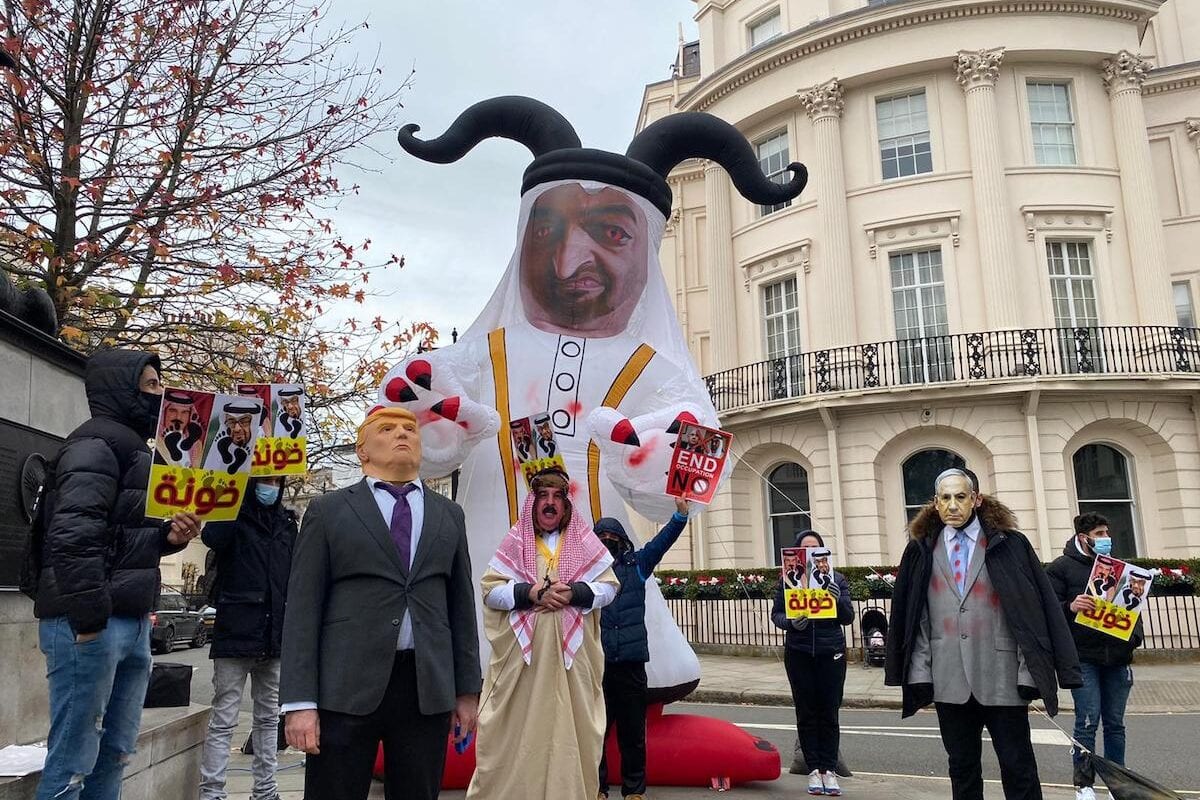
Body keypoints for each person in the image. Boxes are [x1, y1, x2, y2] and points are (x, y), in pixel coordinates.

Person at [385, 97, 806, 704]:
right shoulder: (482, 352)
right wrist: (444, 417)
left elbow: (690, 469)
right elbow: (410, 429)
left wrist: (639, 448)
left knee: (616, 672)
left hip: (594, 566)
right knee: (477, 650)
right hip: (487, 555)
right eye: (550, 229)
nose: (569, 258)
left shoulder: (652, 367)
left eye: (610, 232)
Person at [280, 406, 481, 800]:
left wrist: (467, 690)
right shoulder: (329, 511)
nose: (401, 434)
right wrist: (300, 703)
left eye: (410, 429)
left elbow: (460, 605)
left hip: (426, 689)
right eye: (386, 429)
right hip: (344, 689)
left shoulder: (449, 515)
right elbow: (303, 610)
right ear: (362, 450)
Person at [31, 348, 202, 800]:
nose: (160, 394)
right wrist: (89, 621)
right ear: (120, 390)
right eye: (150, 385)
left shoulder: (133, 450)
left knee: (115, 754)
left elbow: (119, 537)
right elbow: (72, 534)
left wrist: (170, 538)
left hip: (127, 620)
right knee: (72, 760)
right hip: (90, 624)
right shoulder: (96, 444)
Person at [885, 468, 1081, 800]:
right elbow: (916, 618)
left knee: (1018, 767)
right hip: (948, 679)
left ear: (976, 499)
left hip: (1003, 678)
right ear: (934, 503)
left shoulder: (1010, 544)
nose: (952, 505)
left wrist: (1029, 671)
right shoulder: (920, 550)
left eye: (960, 497)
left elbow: (1031, 610)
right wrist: (919, 672)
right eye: (944, 498)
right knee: (961, 768)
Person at [467, 468, 619, 800]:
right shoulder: (516, 541)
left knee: (573, 732)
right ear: (533, 503)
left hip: (573, 665)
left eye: (557, 497)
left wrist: (576, 593)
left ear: (566, 505)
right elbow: (490, 592)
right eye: (543, 497)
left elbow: (609, 589)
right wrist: (528, 593)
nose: (550, 504)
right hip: (523, 666)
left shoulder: (584, 542)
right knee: (511, 734)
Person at [198, 476, 296, 800]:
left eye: (274, 480)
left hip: (274, 634)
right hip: (236, 630)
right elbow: (212, 536)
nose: (269, 485)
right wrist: (231, 495)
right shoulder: (233, 513)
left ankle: (266, 791)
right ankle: (212, 792)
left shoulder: (287, 522)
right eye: (263, 479)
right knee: (224, 717)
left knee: (268, 719)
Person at [594, 498, 691, 800]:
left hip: (633, 665)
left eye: (612, 538)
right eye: (602, 539)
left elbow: (662, 542)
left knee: (633, 734)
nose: (608, 542)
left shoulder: (637, 566)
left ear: (623, 542)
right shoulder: (586, 573)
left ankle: (634, 791)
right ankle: (596, 788)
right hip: (599, 665)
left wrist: (680, 515)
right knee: (596, 731)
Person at [1046, 513, 1143, 800]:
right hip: (1084, 657)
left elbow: (1133, 608)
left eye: (1106, 533)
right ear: (1082, 536)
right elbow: (1050, 610)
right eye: (1099, 534)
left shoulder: (1119, 568)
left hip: (1117, 658)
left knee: (1115, 725)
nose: (1105, 539)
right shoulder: (1061, 569)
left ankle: (1117, 784)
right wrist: (1070, 606)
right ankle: (1084, 785)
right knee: (1087, 722)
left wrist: (1133, 638)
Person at [771, 531, 854, 797]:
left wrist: (837, 597)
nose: (809, 554)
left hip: (831, 651)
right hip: (799, 651)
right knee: (805, 712)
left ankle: (829, 769)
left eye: (815, 549)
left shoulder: (837, 579)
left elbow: (848, 617)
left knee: (829, 711)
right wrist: (791, 623)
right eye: (804, 549)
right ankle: (812, 769)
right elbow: (777, 614)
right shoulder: (787, 581)